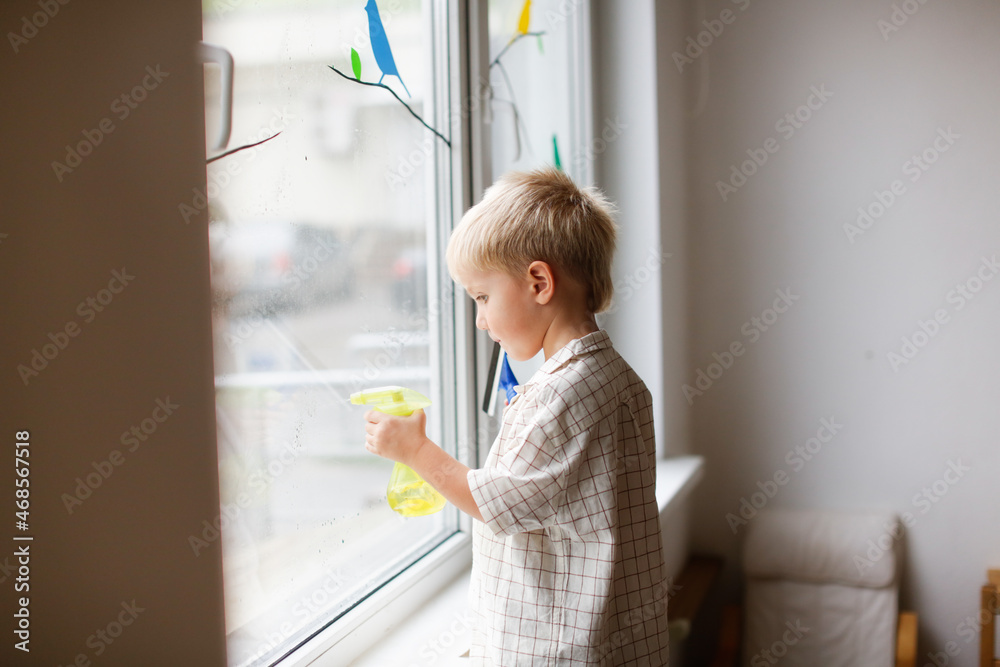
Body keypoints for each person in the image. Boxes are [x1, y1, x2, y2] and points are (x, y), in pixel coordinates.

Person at [363, 167, 670, 665]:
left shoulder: (561, 397)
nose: (480, 320)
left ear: (539, 283)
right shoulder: (616, 379)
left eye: (483, 297)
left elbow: (496, 504)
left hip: (559, 652)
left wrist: (415, 451)